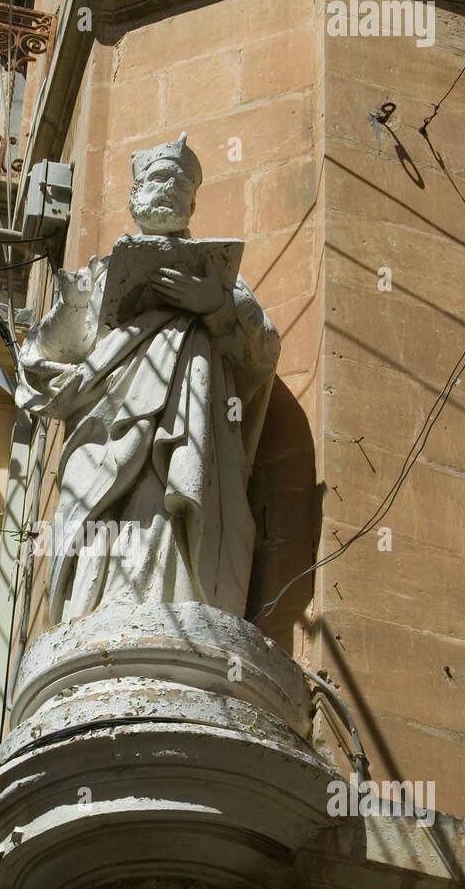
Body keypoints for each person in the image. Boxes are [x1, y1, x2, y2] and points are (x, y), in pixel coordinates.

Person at [16, 133, 280, 625]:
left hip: (185, 429)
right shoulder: (97, 276)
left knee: (165, 500)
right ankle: (96, 611)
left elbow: (261, 351)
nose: (170, 188)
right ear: (136, 191)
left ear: (194, 200)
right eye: (159, 178)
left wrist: (216, 306)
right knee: (109, 506)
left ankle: (176, 607)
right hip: (104, 430)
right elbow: (42, 360)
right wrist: (73, 306)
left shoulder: (218, 275)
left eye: (181, 182)